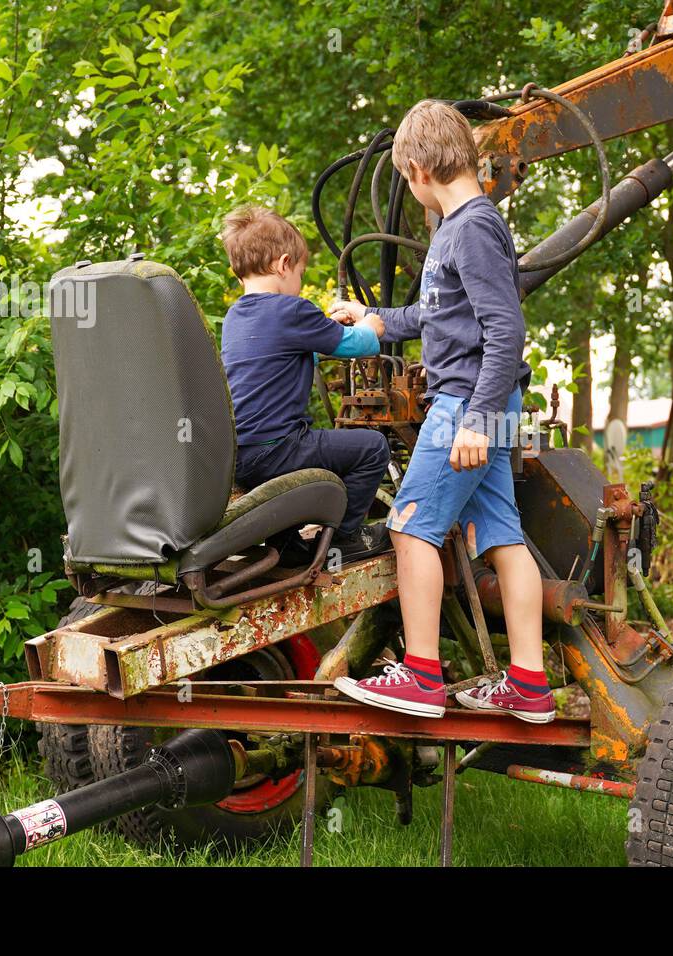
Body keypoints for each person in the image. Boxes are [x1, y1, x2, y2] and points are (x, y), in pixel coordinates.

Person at [330, 101, 554, 722]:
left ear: (423, 170)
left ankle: (422, 676)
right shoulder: (457, 228)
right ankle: (529, 685)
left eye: (405, 178)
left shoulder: (473, 227)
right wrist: (376, 322)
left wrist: (477, 419)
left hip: (465, 403)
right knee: (502, 537)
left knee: (410, 528)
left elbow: (506, 333)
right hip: (482, 399)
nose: (409, 189)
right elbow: (439, 316)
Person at [219, 204, 390, 560]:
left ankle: (289, 549)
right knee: (372, 448)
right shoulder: (292, 310)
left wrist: (325, 329)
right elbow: (359, 344)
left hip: (238, 455)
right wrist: (370, 325)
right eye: (300, 271)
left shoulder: (236, 316)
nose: (299, 281)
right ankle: (346, 538)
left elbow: (285, 354)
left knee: (291, 455)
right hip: (279, 449)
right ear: (283, 264)